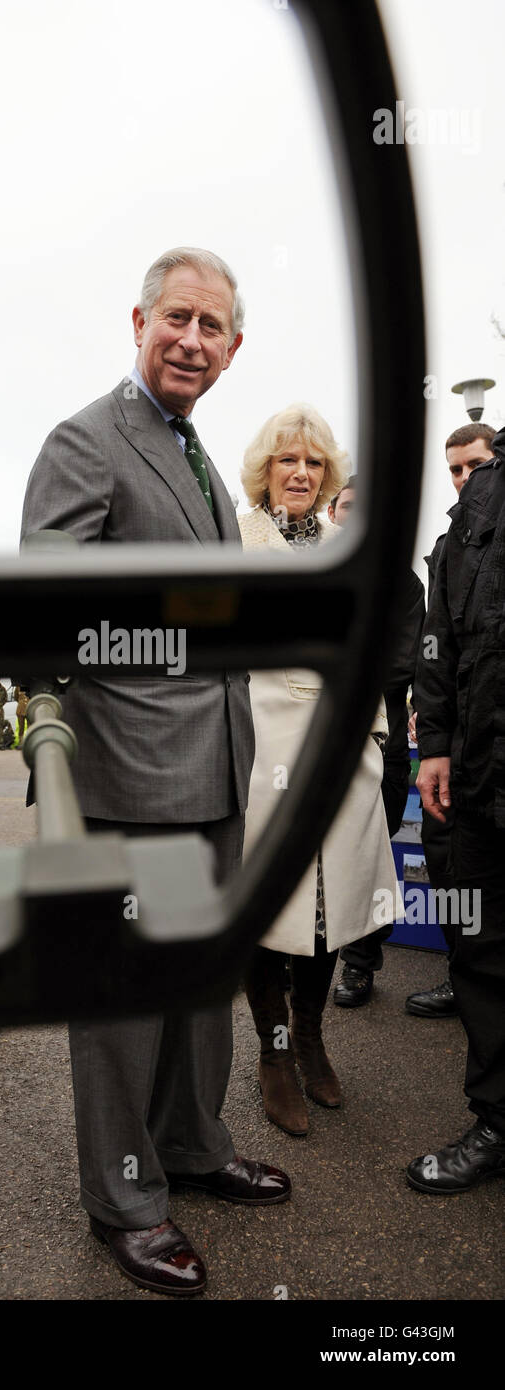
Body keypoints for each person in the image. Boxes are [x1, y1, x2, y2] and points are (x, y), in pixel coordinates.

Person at [21, 247, 290, 1297]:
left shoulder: (196, 454)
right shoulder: (87, 440)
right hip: (129, 778)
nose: (191, 339)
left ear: (231, 349)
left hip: (216, 768)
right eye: (175, 317)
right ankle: (127, 1200)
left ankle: (191, 1144)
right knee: (126, 1004)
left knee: (197, 987)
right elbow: (48, 605)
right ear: (137, 322)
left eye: (211, 326)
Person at [239, 405, 398, 1136]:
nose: (299, 473)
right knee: (270, 907)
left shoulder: (349, 546)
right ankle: (274, 1054)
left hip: (341, 748)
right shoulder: (234, 542)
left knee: (330, 908)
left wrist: (374, 740)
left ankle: (310, 1037)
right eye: (285, 461)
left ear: (326, 474)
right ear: (265, 471)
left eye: (311, 463)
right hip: (263, 746)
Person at [407, 425, 505, 1193]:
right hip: (477, 772)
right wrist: (433, 742)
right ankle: (498, 1120)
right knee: (479, 946)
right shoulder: (469, 517)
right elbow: (436, 640)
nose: (462, 476)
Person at [404, 422, 495, 1018]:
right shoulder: (446, 546)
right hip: (451, 749)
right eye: (455, 469)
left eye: (476, 466)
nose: (464, 479)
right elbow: (434, 646)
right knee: (449, 869)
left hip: (492, 745)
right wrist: (430, 723)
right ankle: (464, 981)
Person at [328, 479, 426, 1007]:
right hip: (301, 739)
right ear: (332, 512)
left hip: (378, 737)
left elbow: (402, 663)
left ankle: (361, 963)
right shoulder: (306, 573)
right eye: (349, 507)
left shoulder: (405, 585)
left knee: (370, 849)